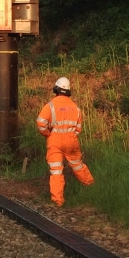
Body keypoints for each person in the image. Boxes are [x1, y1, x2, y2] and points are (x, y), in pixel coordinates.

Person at [36, 77, 94, 206]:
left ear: (56, 89)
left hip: (55, 141)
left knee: (56, 171)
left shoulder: (50, 106)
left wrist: (47, 134)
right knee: (78, 165)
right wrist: (71, 135)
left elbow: (40, 123)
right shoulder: (75, 107)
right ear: (68, 91)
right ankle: (91, 187)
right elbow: (78, 129)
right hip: (72, 140)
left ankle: (58, 201)